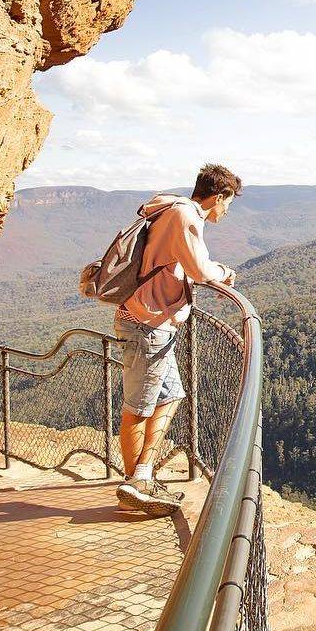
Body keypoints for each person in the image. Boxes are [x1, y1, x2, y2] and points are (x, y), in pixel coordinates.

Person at [114, 163, 240, 515]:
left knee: (170, 396)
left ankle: (142, 474)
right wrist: (225, 274)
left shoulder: (173, 211)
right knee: (138, 408)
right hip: (147, 323)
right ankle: (133, 487)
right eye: (228, 204)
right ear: (218, 197)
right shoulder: (186, 216)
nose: (226, 212)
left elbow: (184, 262)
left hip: (153, 322)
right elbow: (200, 269)